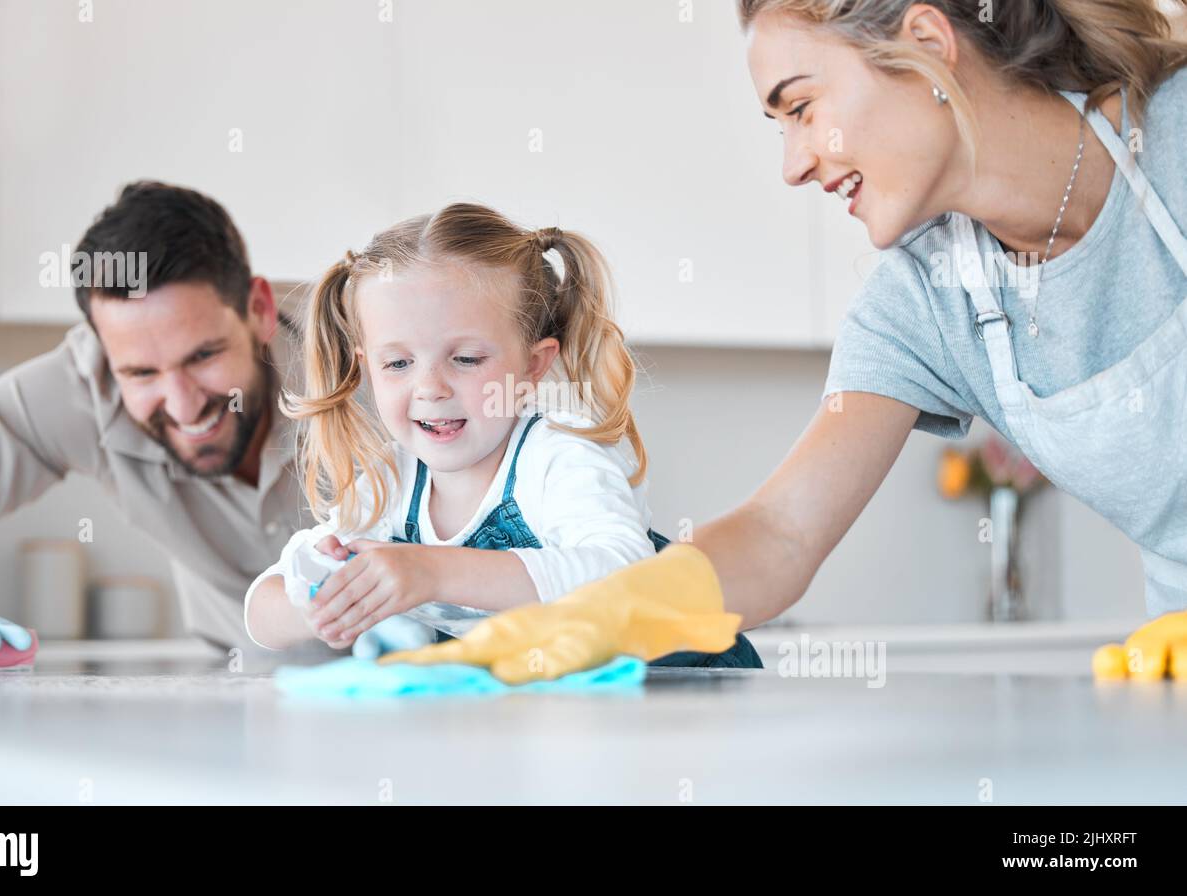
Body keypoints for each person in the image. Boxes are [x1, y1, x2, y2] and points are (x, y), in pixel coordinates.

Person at [386, 0, 1187, 681]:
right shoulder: (924, 302)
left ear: (926, 43)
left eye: (801, 107)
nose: (794, 165)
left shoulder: (1175, 137)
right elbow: (781, 533)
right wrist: (604, 616)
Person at [243, 203, 760, 668]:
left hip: (684, 691)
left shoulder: (560, 453)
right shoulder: (389, 482)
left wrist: (433, 571)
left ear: (534, 365)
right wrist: (319, 603)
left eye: (466, 359)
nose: (430, 388)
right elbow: (262, 607)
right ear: (367, 369)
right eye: (397, 363)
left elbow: (621, 574)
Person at [0, 181, 324, 671]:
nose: (183, 407)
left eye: (204, 355)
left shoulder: (375, 351)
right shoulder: (78, 389)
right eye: (141, 373)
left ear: (259, 310)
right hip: (248, 687)